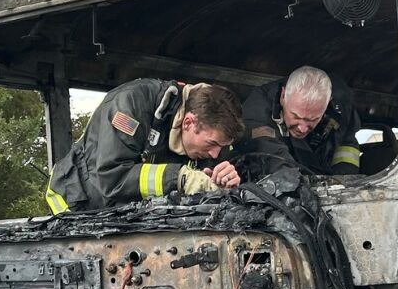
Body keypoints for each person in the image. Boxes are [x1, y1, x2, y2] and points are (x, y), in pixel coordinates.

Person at [45, 80, 244, 212]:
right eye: (212, 144)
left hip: (126, 216)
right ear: (188, 123)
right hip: (76, 207)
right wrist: (180, 178)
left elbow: (193, 179)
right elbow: (112, 178)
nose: (215, 153)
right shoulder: (130, 105)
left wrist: (218, 182)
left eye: (222, 146)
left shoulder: (202, 134)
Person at [235, 66, 361, 179]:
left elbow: (347, 146)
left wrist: (344, 180)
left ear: (327, 103)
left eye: (313, 120)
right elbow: (271, 155)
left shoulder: (340, 106)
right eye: (295, 116)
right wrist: (297, 184)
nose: (302, 128)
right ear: (283, 96)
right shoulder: (257, 112)